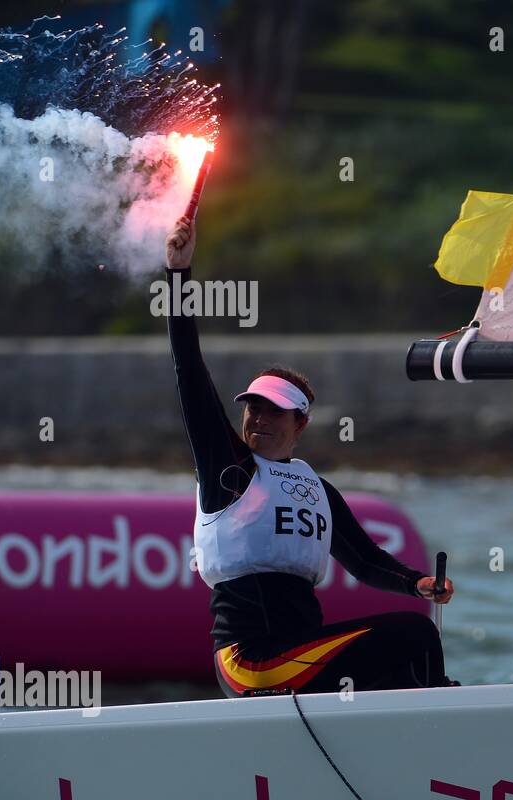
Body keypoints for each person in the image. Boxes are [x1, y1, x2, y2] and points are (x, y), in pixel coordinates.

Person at [164, 215, 456, 695]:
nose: (258, 419)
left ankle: (422, 723)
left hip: (300, 651)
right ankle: (440, 712)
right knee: (415, 634)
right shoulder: (229, 470)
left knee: (408, 645)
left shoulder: (314, 489)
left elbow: (364, 560)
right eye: (252, 409)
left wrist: (418, 583)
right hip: (250, 659)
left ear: (300, 424)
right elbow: (189, 373)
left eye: (273, 412)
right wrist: (178, 273)